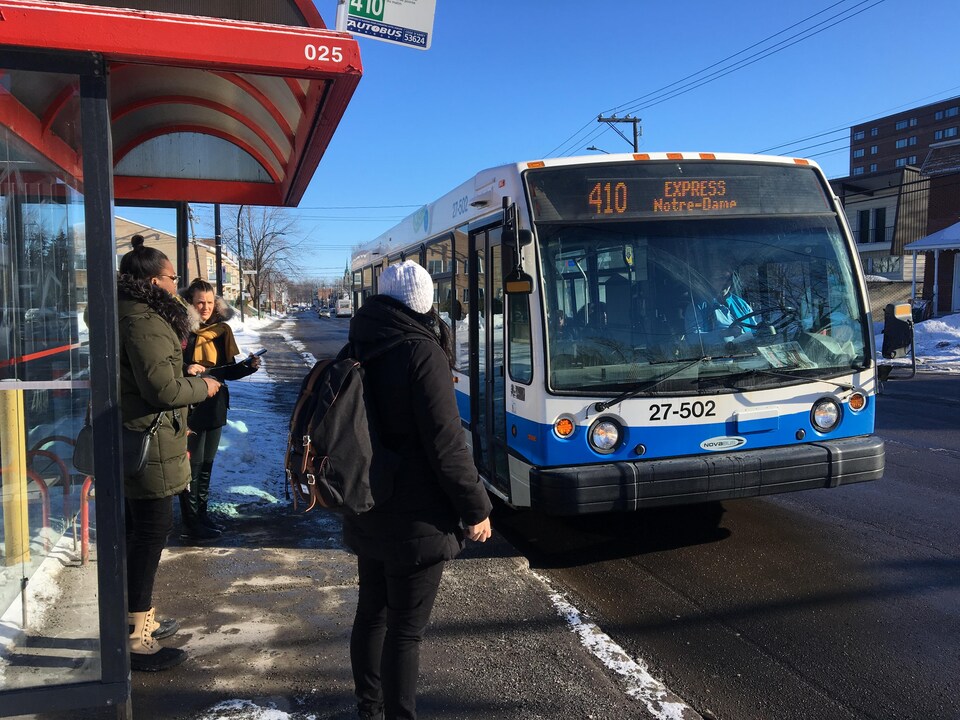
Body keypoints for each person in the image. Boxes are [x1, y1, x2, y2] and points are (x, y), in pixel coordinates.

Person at [344, 259, 493, 720]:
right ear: (425, 302)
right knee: (405, 631)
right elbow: (448, 447)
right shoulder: (421, 351)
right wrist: (476, 508)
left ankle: (369, 710)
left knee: (372, 613)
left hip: (369, 502)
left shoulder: (361, 342)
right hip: (416, 515)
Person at [117, 235, 221, 671]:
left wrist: (183, 370)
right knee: (150, 532)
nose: (175, 286)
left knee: (142, 531)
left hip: (144, 435)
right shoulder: (144, 320)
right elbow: (161, 388)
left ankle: (137, 619)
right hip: (148, 438)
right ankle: (135, 638)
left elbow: (155, 372)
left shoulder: (134, 314)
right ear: (152, 280)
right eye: (171, 278)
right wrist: (202, 385)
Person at [179, 278, 261, 542]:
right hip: (189, 406)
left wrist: (248, 366)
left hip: (214, 406)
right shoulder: (181, 331)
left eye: (210, 302)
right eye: (200, 302)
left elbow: (228, 370)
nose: (205, 307)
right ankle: (191, 522)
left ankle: (202, 516)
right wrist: (186, 369)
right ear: (190, 302)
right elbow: (167, 369)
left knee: (206, 466)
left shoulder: (221, 331)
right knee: (191, 469)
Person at [684, 265, 755, 339]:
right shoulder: (696, 307)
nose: (725, 283)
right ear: (709, 281)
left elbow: (755, 330)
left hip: (749, 348)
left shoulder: (741, 304)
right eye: (720, 278)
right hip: (717, 350)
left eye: (728, 279)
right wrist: (724, 334)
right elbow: (693, 339)